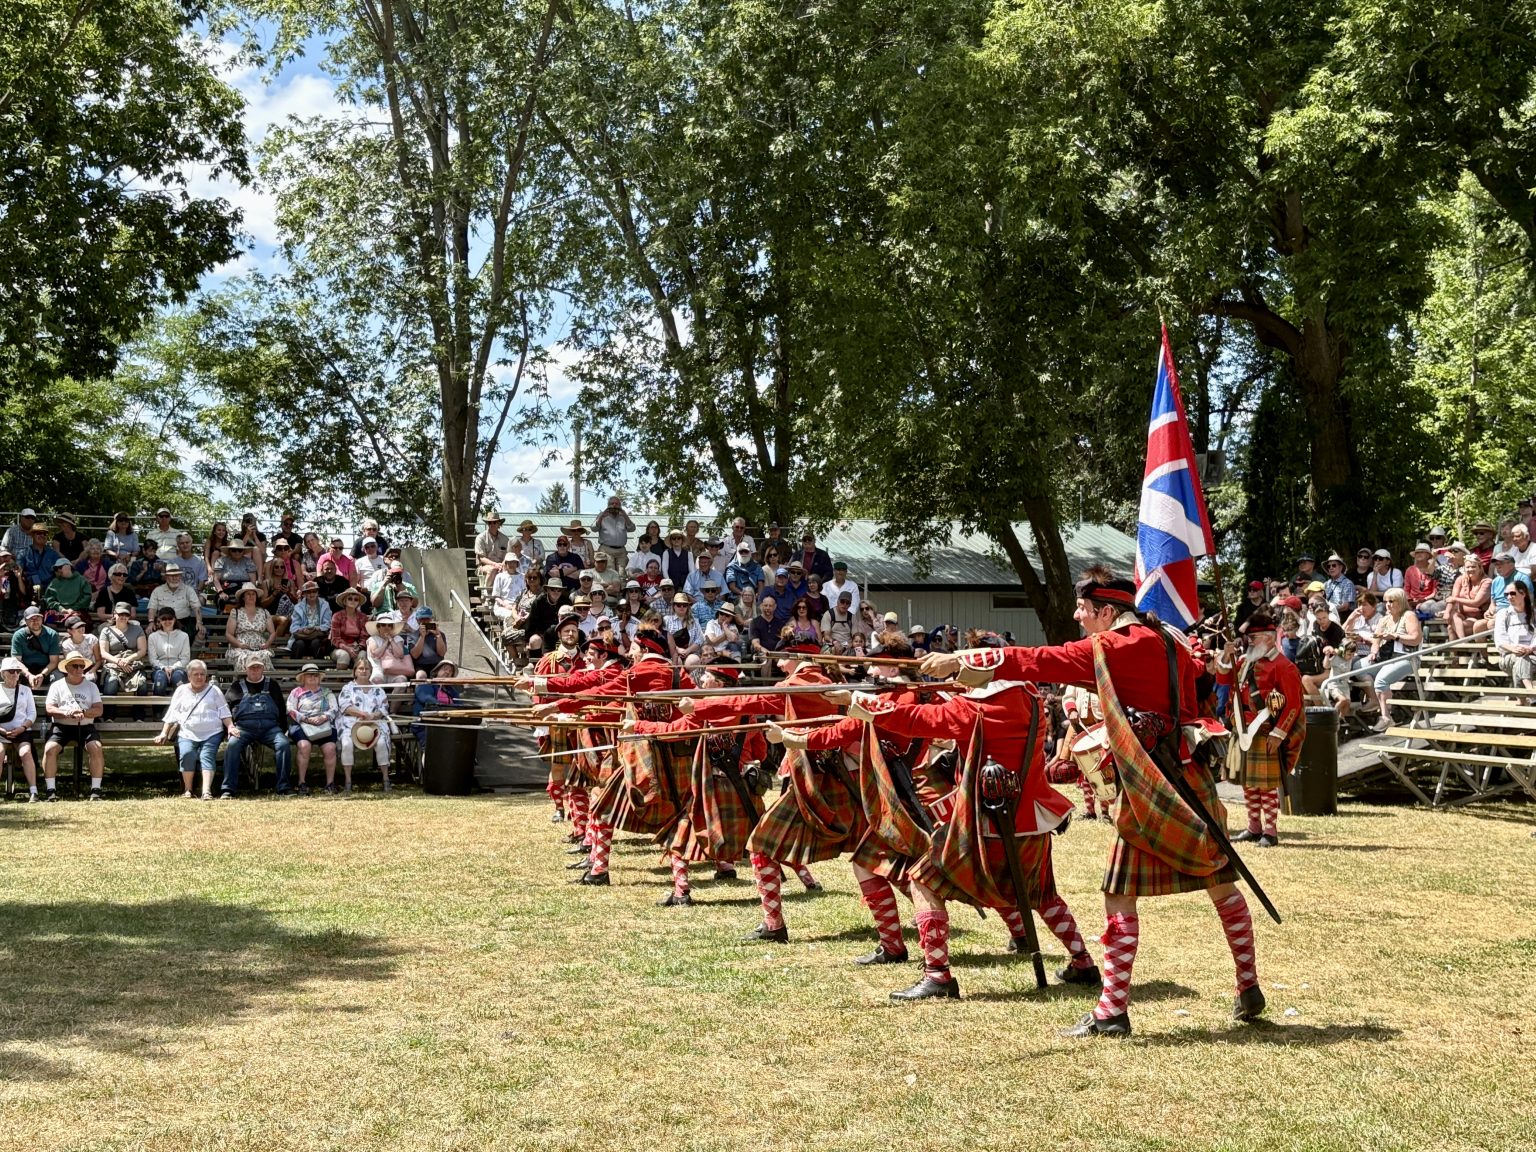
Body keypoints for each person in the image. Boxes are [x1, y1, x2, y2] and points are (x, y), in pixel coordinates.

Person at [921, 568, 1267, 1037]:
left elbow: (1040, 659)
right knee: (1221, 881)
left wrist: (969, 658)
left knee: (1119, 893)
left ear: (1107, 611)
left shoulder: (1111, 646)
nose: (1078, 618)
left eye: (1083, 610)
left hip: (1148, 783)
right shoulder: (1170, 640)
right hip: (1189, 774)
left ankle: (1111, 1011)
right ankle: (1247, 984)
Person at [1214, 613, 1306, 847]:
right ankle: (1254, 826)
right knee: (1249, 783)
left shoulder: (1284, 666)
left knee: (1266, 786)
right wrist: (1227, 654)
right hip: (1242, 728)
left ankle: (1271, 831)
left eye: (1253, 638)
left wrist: (1279, 733)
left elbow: (1293, 704)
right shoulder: (1245, 661)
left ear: (1268, 637)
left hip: (1264, 729)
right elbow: (1223, 678)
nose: (1249, 642)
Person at [154, 660, 232, 800]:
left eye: (202, 674)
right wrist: (164, 733)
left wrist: (230, 726)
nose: (199, 677)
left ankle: (206, 791)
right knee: (187, 754)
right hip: (187, 732)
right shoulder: (181, 690)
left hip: (212, 732)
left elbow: (224, 712)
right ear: (189, 676)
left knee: (206, 756)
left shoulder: (214, 690)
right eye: (196, 674)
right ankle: (188, 790)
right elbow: (172, 713)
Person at [221, 655, 292, 798]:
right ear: (245, 669)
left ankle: (283, 787)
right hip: (243, 729)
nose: (255, 670)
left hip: (270, 729)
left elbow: (281, 708)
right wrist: (229, 729)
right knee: (232, 745)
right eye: (252, 667)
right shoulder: (236, 687)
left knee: (283, 745)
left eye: (258, 667)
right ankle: (228, 789)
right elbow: (225, 710)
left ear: (263, 668)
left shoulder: (272, 685)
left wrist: (283, 730)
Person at [41, 652, 107, 799]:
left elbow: (99, 709)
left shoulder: (91, 687)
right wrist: (67, 713)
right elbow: (49, 708)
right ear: (67, 668)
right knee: (50, 749)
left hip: (85, 726)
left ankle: (96, 790)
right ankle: (50, 790)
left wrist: (84, 712)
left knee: (96, 747)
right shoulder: (57, 686)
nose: (79, 669)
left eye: (82, 666)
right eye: (75, 666)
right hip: (61, 726)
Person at [1368, 588, 1423, 731]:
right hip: (1386, 657)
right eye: (1386, 601)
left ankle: (1386, 717)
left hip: (1408, 658)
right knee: (1357, 668)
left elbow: (1415, 639)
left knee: (1381, 680)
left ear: (1401, 602)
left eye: (1391, 601)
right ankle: (1373, 702)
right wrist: (1373, 651)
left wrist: (1395, 636)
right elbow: (1376, 638)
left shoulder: (1408, 615)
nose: (1388, 604)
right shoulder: (1384, 619)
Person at [337, 657, 393, 793]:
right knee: (346, 744)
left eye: (367, 669)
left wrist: (373, 716)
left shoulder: (377, 689)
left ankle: (386, 780)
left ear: (371, 671)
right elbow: (345, 706)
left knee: (380, 743)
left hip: (374, 724)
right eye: (360, 668)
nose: (364, 671)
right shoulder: (348, 688)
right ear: (355, 671)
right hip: (352, 723)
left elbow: (384, 708)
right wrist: (361, 714)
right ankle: (348, 782)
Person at [286, 663, 340, 795]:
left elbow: (334, 708)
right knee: (304, 746)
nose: (312, 677)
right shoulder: (296, 692)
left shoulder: (327, 692)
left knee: (330, 748)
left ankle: (330, 783)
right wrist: (305, 719)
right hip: (302, 724)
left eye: (315, 675)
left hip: (324, 724)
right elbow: (290, 708)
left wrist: (323, 717)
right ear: (303, 677)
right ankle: (302, 783)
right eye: (309, 675)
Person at [0, 656, 41, 799]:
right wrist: (2, 731)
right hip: (1, 731)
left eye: (17, 671)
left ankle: (34, 791)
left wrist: (22, 728)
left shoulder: (25, 690)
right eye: (11, 671)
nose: (15, 674)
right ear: (3, 673)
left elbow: (32, 713)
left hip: (22, 730)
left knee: (25, 752)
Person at [147, 563, 205, 643]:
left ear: (180, 577)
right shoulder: (157, 591)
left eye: (177, 575)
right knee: (150, 631)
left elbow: (196, 608)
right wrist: (151, 622)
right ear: (166, 577)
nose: (174, 578)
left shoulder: (188, 590)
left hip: (184, 623)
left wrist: (199, 622)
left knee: (200, 632)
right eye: (171, 576)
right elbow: (152, 608)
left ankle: (190, 655)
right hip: (163, 623)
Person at [1494, 582, 1536, 689]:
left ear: (1523, 593)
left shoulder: (1534, 613)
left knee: (1522, 659)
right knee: (1521, 657)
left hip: (1532, 656)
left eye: (1512, 593)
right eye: (1506, 594)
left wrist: (1530, 649)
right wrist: (1514, 649)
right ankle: (1531, 692)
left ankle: (1522, 700)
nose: (1509, 597)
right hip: (1508, 657)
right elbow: (1499, 639)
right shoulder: (1503, 614)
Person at [226, 584, 276, 672]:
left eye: (253, 594)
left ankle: (264, 684)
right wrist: (239, 644)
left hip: (259, 648)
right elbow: (228, 634)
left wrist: (268, 644)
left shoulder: (264, 612)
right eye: (248, 594)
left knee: (262, 657)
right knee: (244, 657)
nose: (251, 596)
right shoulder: (236, 612)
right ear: (243, 597)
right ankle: (242, 684)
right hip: (241, 648)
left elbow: (272, 633)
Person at [11, 607, 61, 690]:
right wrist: (28, 675)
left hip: (46, 669)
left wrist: (42, 675)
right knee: (11, 674)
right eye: (31, 619)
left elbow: (54, 662)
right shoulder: (18, 636)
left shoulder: (52, 634)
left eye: (38, 618)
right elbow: (16, 661)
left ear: (42, 619)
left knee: (58, 676)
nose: (35, 621)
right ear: (26, 621)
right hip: (25, 669)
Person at [1445, 555, 1492, 641]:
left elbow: (1476, 602)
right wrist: (1447, 613)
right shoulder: (1460, 579)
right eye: (1468, 567)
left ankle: (1461, 646)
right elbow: (1453, 597)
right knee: (1453, 615)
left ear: (1480, 567)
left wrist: (1455, 599)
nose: (1470, 569)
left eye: (1473, 567)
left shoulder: (1487, 582)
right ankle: (1462, 643)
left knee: (1451, 628)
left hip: (1479, 618)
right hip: (1462, 616)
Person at [147, 607, 192, 695]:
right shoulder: (153, 637)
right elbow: (152, 659)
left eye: (170, 618)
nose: (167, 621)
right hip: (159, 669)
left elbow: (185, 658)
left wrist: (173, 668)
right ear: (159, 620)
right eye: (164, 619)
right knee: (160, 678)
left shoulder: (184, 636)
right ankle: (158, 708)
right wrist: (164, 668)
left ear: (174, 619)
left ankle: (179, 707)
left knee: (177, 678)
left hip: (179, 669)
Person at [287, 580, 333, 659]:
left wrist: (315, 628)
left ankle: (319, 669)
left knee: (316, 643)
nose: (312, 594)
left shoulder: (325, 605)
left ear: (317, 593)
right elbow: (293, 628)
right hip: (302, 636)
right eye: (308, 592)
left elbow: (328, 624)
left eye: (314, 591)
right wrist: (303, 630)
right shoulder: (298, 607)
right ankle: (293, 670)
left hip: (318, 636)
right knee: (299, 644)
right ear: (304, 594)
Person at [365, 611, 413, 682]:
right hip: (378, 671)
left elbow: (400, 654)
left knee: (402, 680)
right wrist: (386, 642)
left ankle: (394, 693)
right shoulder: (373, 639)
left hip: (394, 670)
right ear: (378, 627)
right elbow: (376, 655)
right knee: (377, 680)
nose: (387, 627)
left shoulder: (397, 639)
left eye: (389, 625)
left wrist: (391, 640)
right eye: (383, 625)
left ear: (392, 627)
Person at [329, 586, 370, 668]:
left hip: (357, 647)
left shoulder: (363, 617)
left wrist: (358, 647)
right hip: (340, 648)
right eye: (350, 599)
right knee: (344, 655)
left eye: (356, 599)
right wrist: (347, 648)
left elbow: (364, 637)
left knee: (363, 655)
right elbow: (335, 638)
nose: (353, 601)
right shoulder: (337, 616)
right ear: (345, 601)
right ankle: (339, 680)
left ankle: (358, 679)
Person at [594, 495, 635, 568]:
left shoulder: (623, 517)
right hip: (606, 550)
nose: (614, 506)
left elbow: (632, 529)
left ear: (620, 506)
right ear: (608, 505)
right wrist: (601, 516)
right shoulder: (602, 516)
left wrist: (625, 516)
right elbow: (593, 528)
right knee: (609, 573)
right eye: (612, 504)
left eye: (617, 504)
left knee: (622, 574)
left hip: (621, 551)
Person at [213, 541, 258, 608]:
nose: (237, 552)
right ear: (229, 551)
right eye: (234, 550)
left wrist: (247, 593)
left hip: (244, 591)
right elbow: (216, 579)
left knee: (249, 600)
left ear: (243, 551)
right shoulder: (221, 561)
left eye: (240, 550)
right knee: (223, 601)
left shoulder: (249, 562)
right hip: (226, 590)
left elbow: (253, 581)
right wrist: (221, 592)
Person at [59, 615, 101, 684]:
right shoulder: (66, 645)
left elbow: (98, 660)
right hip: (74, 669)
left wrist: (92, 670)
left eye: (82, 626)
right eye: (77, 627)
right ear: (69, 630)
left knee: (89, 678)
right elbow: (69, 663)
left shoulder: (92, 639)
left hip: (90, 668)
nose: (81, 628)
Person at [475, 512, 510, 584]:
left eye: (494, 522)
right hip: (484, 567)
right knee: (492, 570)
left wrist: (502, 565)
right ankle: (487, 592)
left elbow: (507, 555)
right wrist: (495, 564)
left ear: (499, 524)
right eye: (489, 523)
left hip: (501, 566)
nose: (492, 524)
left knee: (512, 570)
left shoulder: (505, 539)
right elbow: (482, 558)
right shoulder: (480, 538)